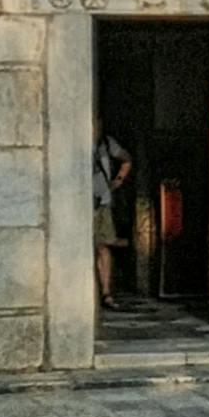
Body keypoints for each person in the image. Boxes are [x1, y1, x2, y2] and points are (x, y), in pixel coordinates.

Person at [93, 128, 133, 310]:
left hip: (102, 202)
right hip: (80, 203)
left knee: (103, 246)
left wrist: (118, 180)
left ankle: (106, 292)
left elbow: (126, 159)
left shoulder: (106, 143)